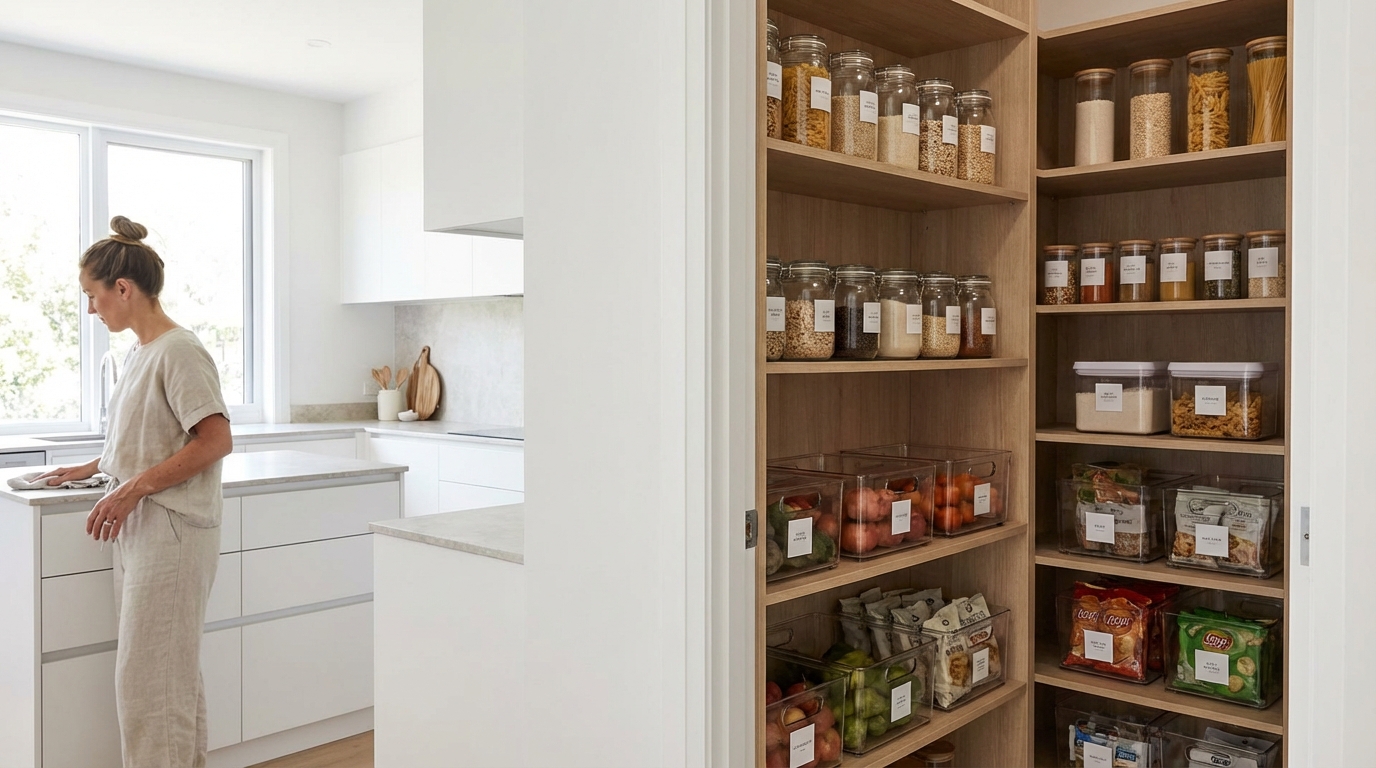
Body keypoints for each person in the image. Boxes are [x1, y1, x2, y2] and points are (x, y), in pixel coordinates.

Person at [38, 216, 233, 768]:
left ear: (122, 288)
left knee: (148, 681)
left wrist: (132, 490)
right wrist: (93, 467)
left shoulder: (179, 350)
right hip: (146, 528)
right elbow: (147, 439)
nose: (91, 309)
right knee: (166, 675)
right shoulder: (140, 352)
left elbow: (216, 439)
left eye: (92, 295)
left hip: (172, 529)